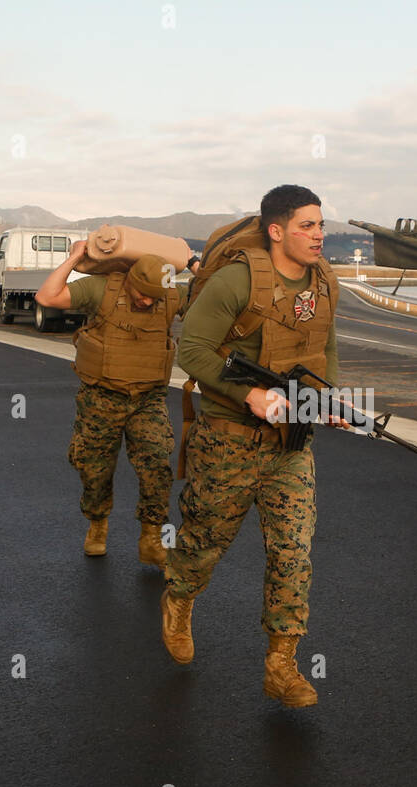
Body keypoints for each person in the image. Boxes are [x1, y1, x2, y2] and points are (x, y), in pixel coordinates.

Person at [162, 184, 339, 708]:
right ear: (276, 230)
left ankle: (281, 664)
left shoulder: (324, 282)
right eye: (307, 225)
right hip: (227, 442)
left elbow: (324, 348)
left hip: (291, 445)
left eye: (321, 224)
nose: (318, 235)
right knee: (203, 544)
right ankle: (179, 599)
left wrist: (324, 401)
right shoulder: (237, 280)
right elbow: (191, 350)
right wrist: (250, 394)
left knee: (293, 550)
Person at [35, 251, 181, 566]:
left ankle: (151, 538)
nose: (146, 302)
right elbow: (46, 296)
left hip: (148, 397)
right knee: (94, 470)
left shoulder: (167, 296)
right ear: (131, 281)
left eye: (153, 298)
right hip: (101, 396)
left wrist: (194, 263)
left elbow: (208, 290)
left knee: (157, 463)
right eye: (142, 295)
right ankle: (98, 522)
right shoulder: (102, 288)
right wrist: (74, 258)